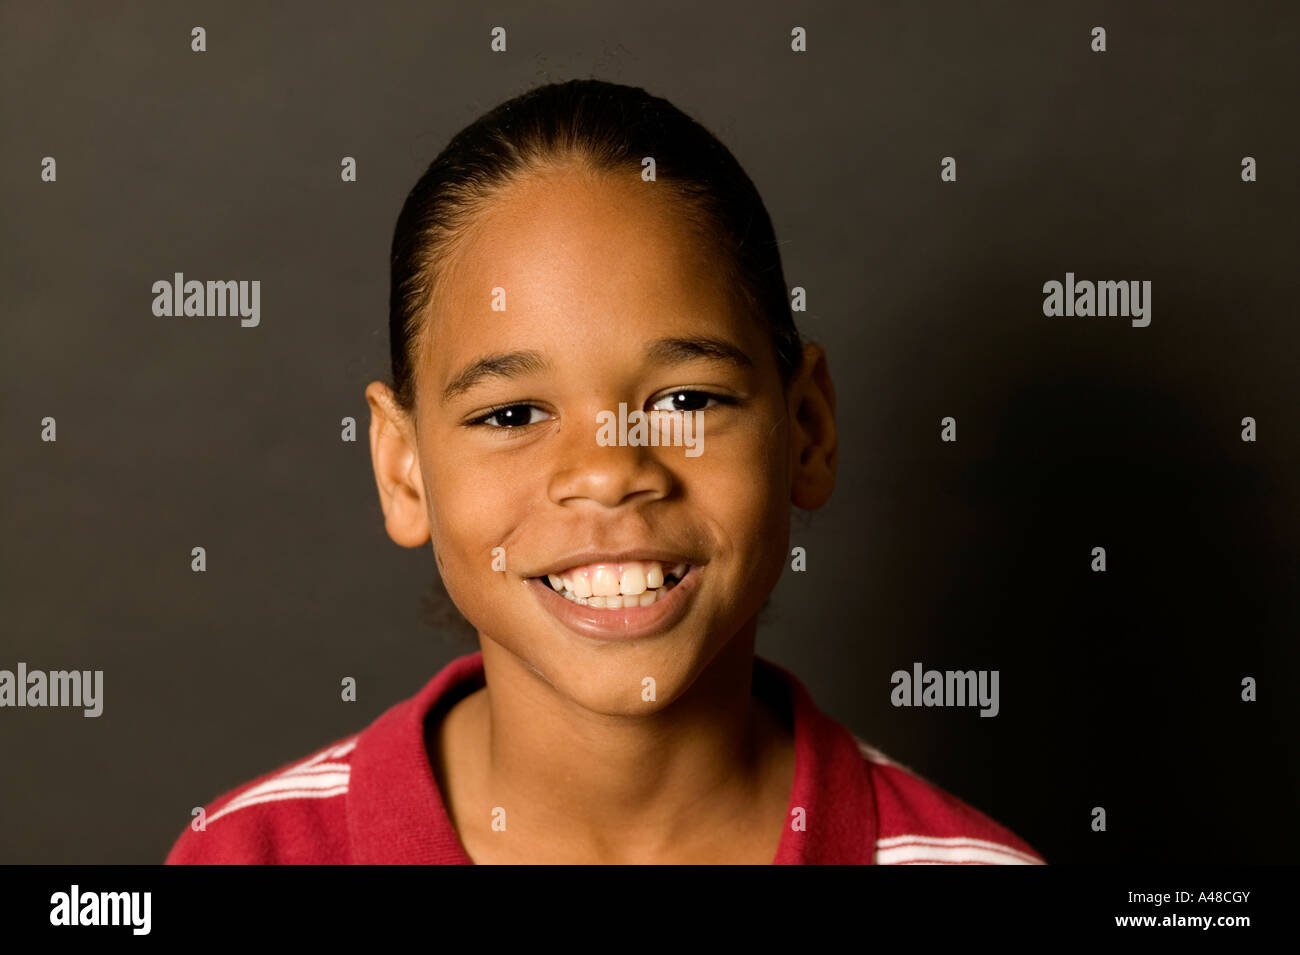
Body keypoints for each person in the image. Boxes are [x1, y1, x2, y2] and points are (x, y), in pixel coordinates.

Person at [166, 79, 1044, 865]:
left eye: (689, 399)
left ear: (806, 428)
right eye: (511, 415)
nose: (608, 472)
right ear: (404, 471)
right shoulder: (247, 854)